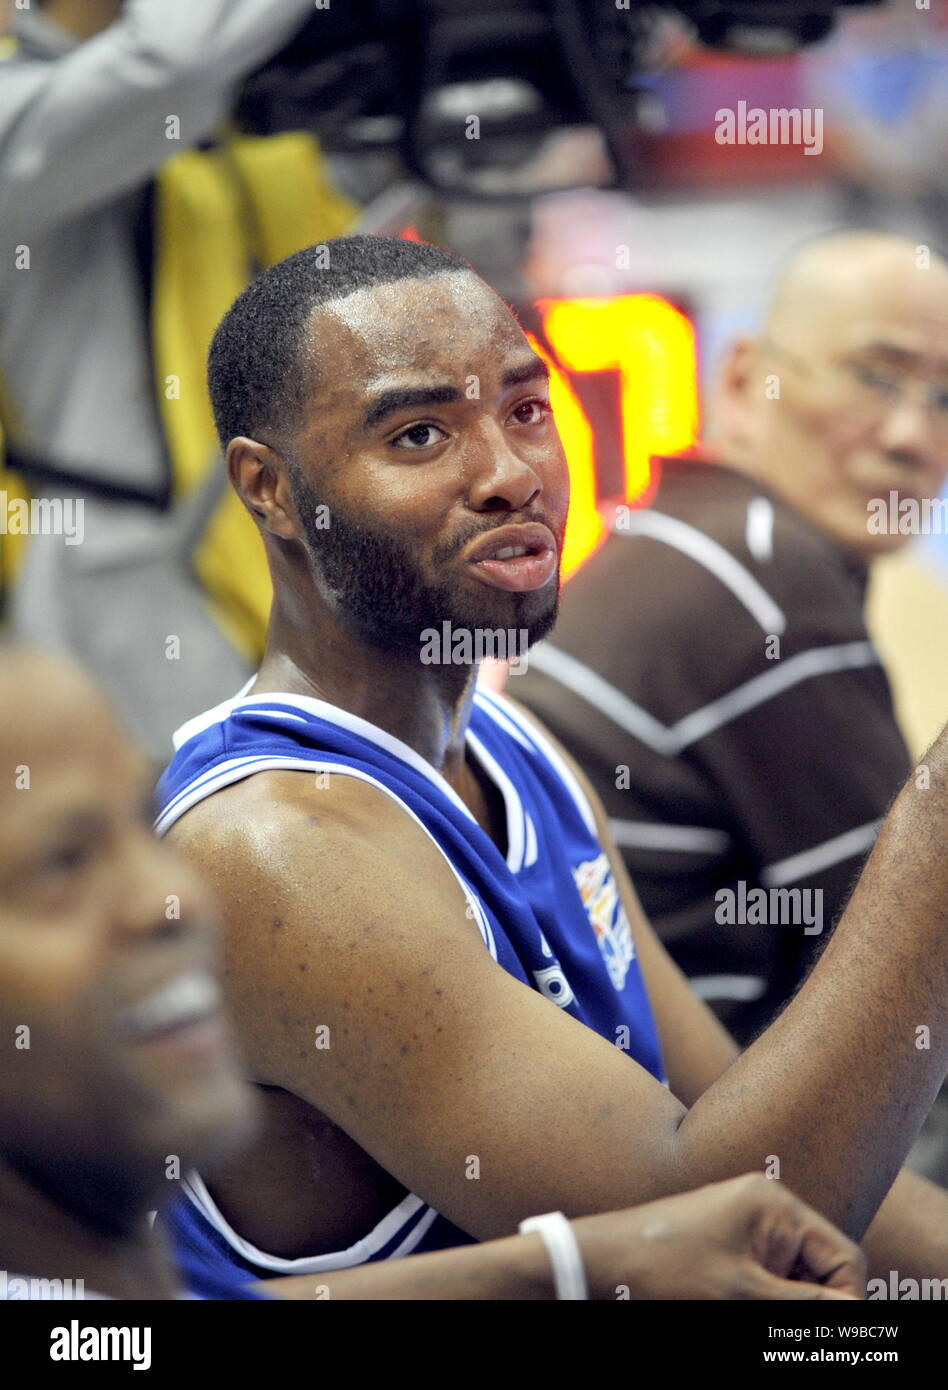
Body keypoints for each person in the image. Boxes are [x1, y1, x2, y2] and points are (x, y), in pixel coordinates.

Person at [153, 234, 948, 1295]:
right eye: (422, 432)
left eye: (526, 410)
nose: (512, 475)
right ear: (272, 490)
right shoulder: (277, 852)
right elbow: (711, 1225)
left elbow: (725, 1127)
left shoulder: (520, 752)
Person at [0, 646, 865, 1302]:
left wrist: (573, 1263)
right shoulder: (279, 843)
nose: (171, 896)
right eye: (63, 863)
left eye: (142, 825)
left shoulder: (105, 1266)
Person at [517, 231, 948, 1044]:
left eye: (946, 401)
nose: (910, 437)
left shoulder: (679, 537)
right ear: (747, 378)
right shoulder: (762, 584)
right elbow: (922, 949)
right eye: (874, 377)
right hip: (710, 1126)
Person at [0, 0, 357, 758]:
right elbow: (169, 64)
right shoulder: (26, 101)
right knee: (202, 828)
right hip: (116, 564)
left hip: (286, 540)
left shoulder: (249, 102)